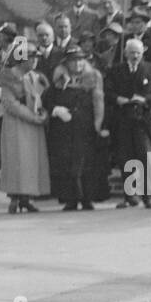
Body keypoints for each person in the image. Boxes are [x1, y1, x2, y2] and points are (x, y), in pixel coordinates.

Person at [0, 37, 51, 213]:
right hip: (16, 125)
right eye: (31, 57)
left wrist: (43, 113)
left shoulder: (36, 77)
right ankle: (14, 197)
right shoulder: (8, 76)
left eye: (36, 58)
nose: (35, 61)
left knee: (31, 162)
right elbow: (11, 104)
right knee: (16, 160)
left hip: (33, 126)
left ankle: (27, 197)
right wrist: (34, 118)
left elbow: (44, 100)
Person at [43, 44, 101, 211]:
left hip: (86, 129)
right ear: (66, 63)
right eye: (73, 61)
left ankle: (87, 199)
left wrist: (99, 124)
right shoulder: (58, 81)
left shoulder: (92, 80)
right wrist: (56, 110)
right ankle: (71, 199)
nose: (77, 64)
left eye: (80, 60)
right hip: (64, 131)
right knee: (67, 165)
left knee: (87, 165)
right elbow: (46, 101)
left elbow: (100, 104)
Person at [107, 37, 151, 209]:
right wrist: (118, 99)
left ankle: (148, 196)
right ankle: (130, 195)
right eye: (131, 53)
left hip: (143, 121)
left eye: (138, 52)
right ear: (125, 53)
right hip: (123, 119)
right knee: (126, 159)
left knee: (146, 158)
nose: (135, 56)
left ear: (142, 52)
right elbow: (108, 92)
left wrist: (145, 99)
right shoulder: (116, 70)